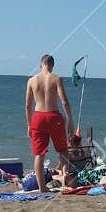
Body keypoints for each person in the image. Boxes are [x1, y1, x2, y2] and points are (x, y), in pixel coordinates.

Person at [25, 54, 76, 193]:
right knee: (63, 150)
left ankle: (42, 188)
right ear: (52, 65)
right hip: (54, 116)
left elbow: (28, 106)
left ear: (41, 64)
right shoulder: (56, 79)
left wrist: (29, 124)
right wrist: (70, 120)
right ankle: (65, 177)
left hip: (38, 117)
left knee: (39, 155)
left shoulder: (32, 80)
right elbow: (64, 102)